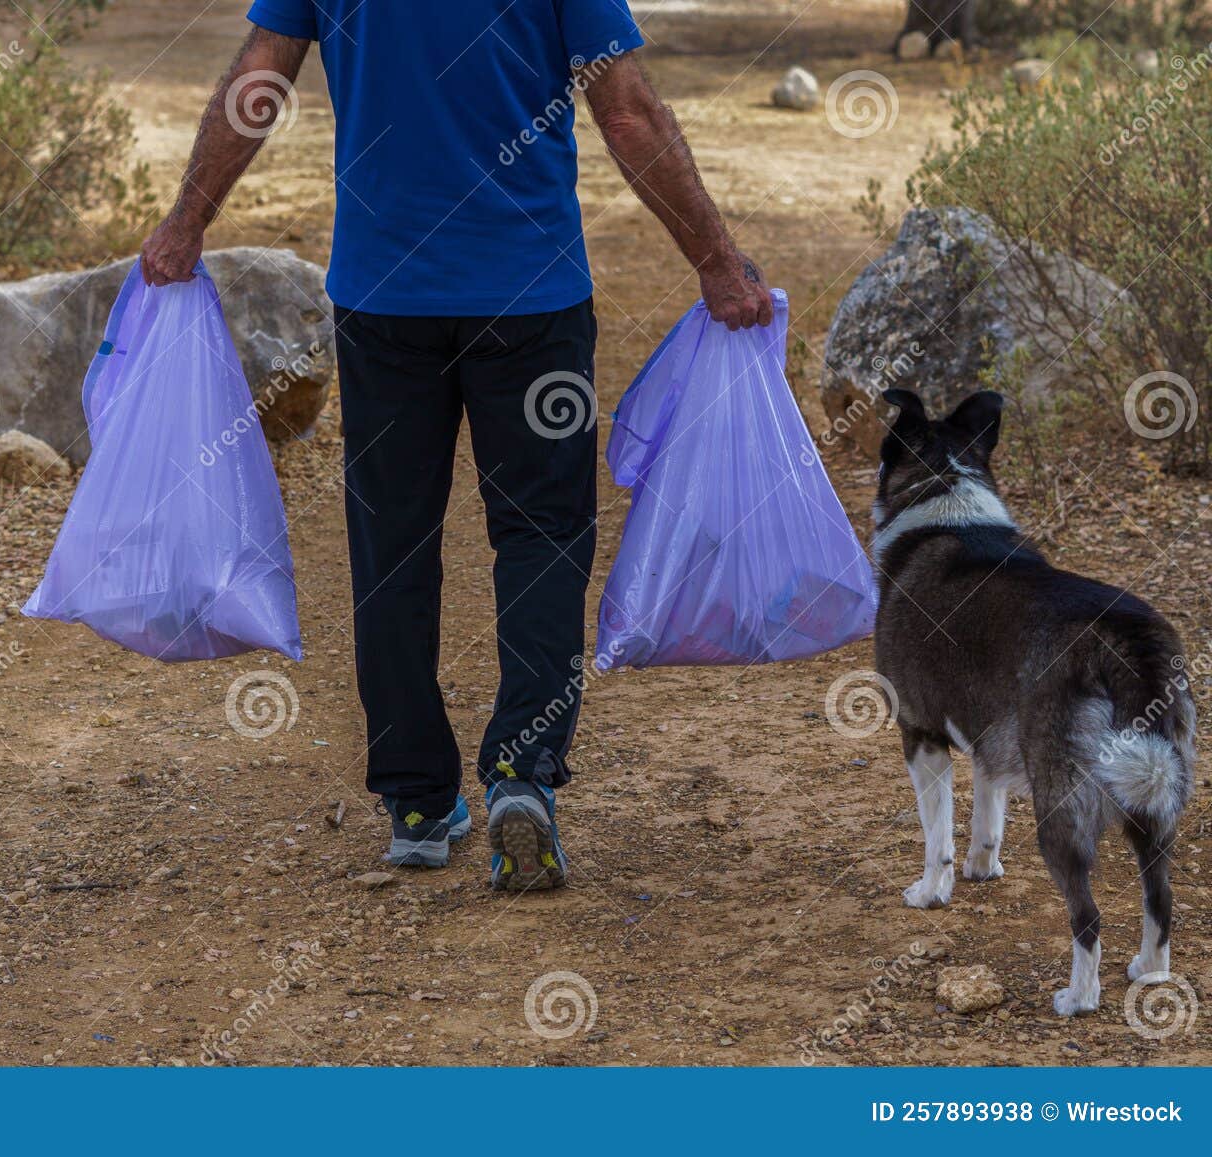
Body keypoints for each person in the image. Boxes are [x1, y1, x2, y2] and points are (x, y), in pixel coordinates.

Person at [140, 1, 772, 892]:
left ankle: (416, 801)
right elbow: (626, 109)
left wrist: (187, 222)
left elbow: (259, 80)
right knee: (542, 536)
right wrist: (713, 257)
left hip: (384, 302)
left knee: (392, 547)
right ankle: (522, 772)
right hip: (532, 303)